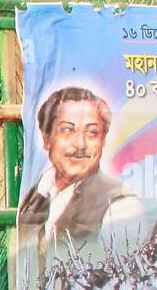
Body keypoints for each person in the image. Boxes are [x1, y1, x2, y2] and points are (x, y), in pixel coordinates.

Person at [18, 87, 145, 260]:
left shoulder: (119, 206)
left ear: (103, 141)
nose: (80, 144)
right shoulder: (36, 196)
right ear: (47, 138)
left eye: (92, 132)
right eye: (68, 130)